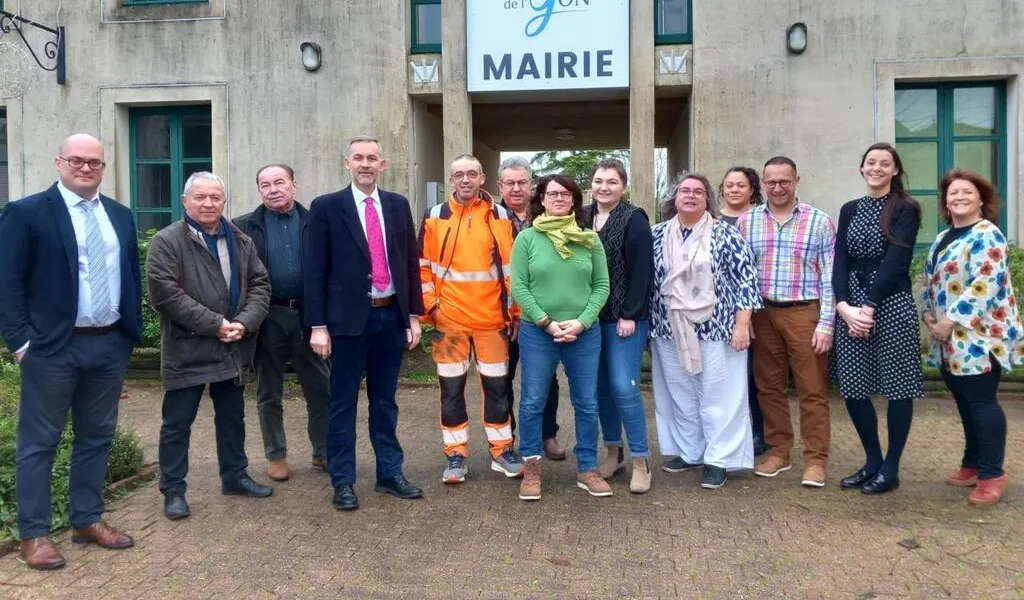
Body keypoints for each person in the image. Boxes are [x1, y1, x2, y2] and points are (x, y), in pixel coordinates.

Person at [0, 134, 142, 570]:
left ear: (103, 166)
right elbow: (8, 282)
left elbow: (129, 275)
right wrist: (22, 343)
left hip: (108, 343)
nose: (86, 168)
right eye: (77, 161)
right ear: (59, 162)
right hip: (51, 349)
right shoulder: (25, 213)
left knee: (96, 437)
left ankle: (86, 519)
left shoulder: (119, 214)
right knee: (39, 444)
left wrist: (126, 335)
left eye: (94, 162)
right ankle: (35, 534)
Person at [305, 135, 425, 511]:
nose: (365, 164)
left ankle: (390, 473)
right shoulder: (326, 207)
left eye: (372, 157)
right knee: (342, 403)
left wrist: (413, 315)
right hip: (345, 323)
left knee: (385, 402)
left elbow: (409, 264)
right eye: (358, 158)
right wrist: (318, 325)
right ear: (347, 163)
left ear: (383, 164)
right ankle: (343, 480)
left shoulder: (397, 205)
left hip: (390, 318)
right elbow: (315, 271)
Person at [146, 171, 273, 521]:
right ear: (184, 201)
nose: (208, 203)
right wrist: (215, 325)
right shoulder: (167, 241)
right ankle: (173, 490)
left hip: (233, 347)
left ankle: (234, 477)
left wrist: (245, 323)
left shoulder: (240, 240)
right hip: (188, 349)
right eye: (200, 197)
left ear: (223, 202)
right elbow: (165, 294)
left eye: (215, 197)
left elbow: (260, 284)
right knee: (177, 424)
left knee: (233, 418)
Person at [649, 173, 762, 489]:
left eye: (699, 191)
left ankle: (719, 459)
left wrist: (742, 325)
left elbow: (746, 282)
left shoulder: (725, 234)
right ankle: (691, 451)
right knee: (680, 394)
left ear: (707, 199)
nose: (691, 195)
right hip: (668, 328)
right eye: (685, 190)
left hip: (716, 327)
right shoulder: (657, 235)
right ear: (674, 198)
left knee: (718, 396)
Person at [922, 169, 1023, 506]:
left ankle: (993, 473)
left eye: (967, 192)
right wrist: (929, 316)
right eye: (953, 193)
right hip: (948, 338)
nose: (959, 197)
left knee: (981, 403)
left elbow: (984, 285)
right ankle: (972, 464)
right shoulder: (943, 237)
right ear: (945, 202)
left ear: (982, 199)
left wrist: (949, 322)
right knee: (965, 402)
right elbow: (929, 281)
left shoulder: (988, 234)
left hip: (980, 337)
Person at [419, 154, 523, 483]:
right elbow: (421, 266)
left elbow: (514, 269)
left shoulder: (502, 215)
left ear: (482, 179)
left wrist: (515, 312)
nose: (465, 180)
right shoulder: (434, 216)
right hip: (449, 323)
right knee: (451, 391)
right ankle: (455, 456)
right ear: (450, 180)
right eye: (459, 175)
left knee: (498, 390)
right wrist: (431, 307)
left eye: (472, 174)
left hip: (493, 321)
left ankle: (502, 451)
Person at [737, 156, 836, 488]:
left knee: (811, 389)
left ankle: (815, 460)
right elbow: (742, 276)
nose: (777, 188)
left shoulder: (819, 221)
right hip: (762, 312)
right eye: (771, 182)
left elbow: (830, 277)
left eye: (784, 181)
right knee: (769, 387)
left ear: (797, 181)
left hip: (803, 312)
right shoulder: (747, 221)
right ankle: (779, 451)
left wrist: (826, 323)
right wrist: (745, 317)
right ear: (762, 184)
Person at [511, 174, 611, 501]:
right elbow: (519, 287)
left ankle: (587, 468)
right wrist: (546, 322)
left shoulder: (589, 239)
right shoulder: (527, 239)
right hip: (538, 332)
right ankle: (532, 466)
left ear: (573, 200)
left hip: (584, 334)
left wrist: (582, 322)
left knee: (586, 401)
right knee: (532, 401)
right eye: (552, 193)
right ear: (541, 198)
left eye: (564, 194)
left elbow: (601, 286)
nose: (558, 198)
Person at [832, 143, 923, 495]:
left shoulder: (905, 208)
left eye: (885, 163)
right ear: (862, 168)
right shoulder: (850, 209)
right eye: (871, 162)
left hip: (891, 303)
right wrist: (843, 306)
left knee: (898, 387)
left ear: (895, 170)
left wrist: (868, 307)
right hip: (851, 305)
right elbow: (840, 260)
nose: (877, 168)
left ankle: (892, 467)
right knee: (854, 387)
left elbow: (896, 261)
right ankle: (872, 460)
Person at [234, 164, 330, 482]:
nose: (273, 189)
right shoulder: (243, 227)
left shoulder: (315, 221)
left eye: (280, 182)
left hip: (309, 317)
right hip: (267, 317)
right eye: (265, 184)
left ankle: (323, 451)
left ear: (294, 185)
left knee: (320, 388)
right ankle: (276, 455)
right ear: (259, 190)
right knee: (268, 391)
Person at [587, 158, 655, 493]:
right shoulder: (581, 217)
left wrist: (631, 314)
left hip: (623, 319)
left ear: (623, 186)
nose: (604, 187)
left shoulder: (634, 219)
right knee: (600, 389)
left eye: (611, 182)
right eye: (599, 181)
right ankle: (613, 452)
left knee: (624, 387)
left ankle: (641, 459)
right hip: (589, 319)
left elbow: (643, 271)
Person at [496, 156, 565, 460]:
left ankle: (547, 435)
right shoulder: (491, 217)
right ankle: (506, 437)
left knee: (546, 379)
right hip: (502, 314)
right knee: (503, 378)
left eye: (522, 182)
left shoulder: (547, 214)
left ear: (531, 184)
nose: (516, 188)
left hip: (541, 314)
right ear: (500, 185)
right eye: (509, 183)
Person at [717, 166, 768, 457]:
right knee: (729, 376)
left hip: (756, 307)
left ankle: (759, 432)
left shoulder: (759, 219)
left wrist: (745, 317)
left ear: (752, 189)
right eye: (729, 185)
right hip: (724, 312)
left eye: (741, 185)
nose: (734, 190)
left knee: (755, 376)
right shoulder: (713, 219)